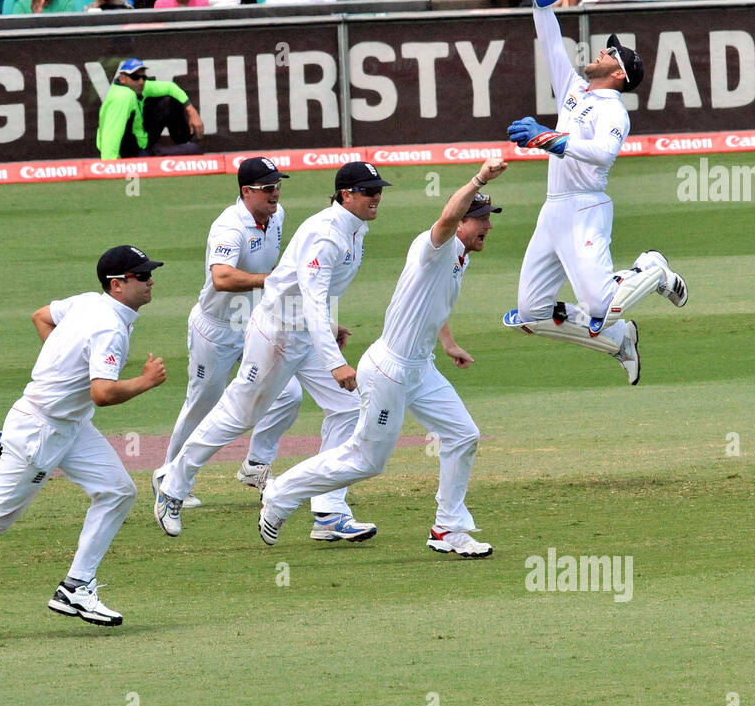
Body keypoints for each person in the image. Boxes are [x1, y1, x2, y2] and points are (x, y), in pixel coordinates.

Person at [0, 246, 168, 640]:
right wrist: (146, 381)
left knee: (117, 491)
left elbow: (41, 316)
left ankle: (76, 587)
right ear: (117, 285)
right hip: (41, 430)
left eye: (149, 272)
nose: (151, 280)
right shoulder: (108, 325)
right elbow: (103, 393)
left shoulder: (89, 303)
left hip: (71, 425)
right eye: (142, 275)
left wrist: (60, 367)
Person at [260, 160, 508, 555]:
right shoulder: (436, 246)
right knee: (366, 461)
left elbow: (434, 302)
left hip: (421, 368)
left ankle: (447, 529)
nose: (488, 226)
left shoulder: (461, 254)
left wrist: (448, 343)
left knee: (463, 436)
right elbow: (446, 217)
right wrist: (479, 179)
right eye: (481, 219)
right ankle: (280, 493)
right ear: (461, 222)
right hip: (389, 370)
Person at [155, 161, 390, 542]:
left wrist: (328, 328)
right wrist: (335, 362)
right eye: (369, 192)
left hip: (302, 329)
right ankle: (172, 485)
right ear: (346, 195)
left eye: (379, 191)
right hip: (277, 332)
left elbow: (311, 291)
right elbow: (310, 298)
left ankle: (328, 510)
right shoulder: (327, 234)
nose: (376, 198)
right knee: (240, 413)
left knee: (348, 408)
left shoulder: (353, 228)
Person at [505, 0, 688, 386]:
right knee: (531, 311)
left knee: (601, 305)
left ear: (620, 73)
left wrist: (548, 138)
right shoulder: (574, 89)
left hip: (586, 206)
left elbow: (604, 153)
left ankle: (652, 268)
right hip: (553, 208)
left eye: (611, 53)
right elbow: (551, 44)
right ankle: (618, 340)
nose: (603, 51)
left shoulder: (614, 110)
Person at [154, 157, 305, 521]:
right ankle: (168, 477)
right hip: (216, 328)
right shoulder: (229, 226)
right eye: (267, 188)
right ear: (246, 191)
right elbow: (221, 278)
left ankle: (256, 464)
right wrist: (271, 281)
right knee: (203, 404)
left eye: (278, 186)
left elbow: (270, 267)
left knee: (289, 394)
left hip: (253, 322)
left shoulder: (277, 216)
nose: (275, 193)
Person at [96, 57, 204, 158]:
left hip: (140, 142)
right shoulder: (123, 98)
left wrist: (191, 110)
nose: (141, 82)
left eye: (143, 77)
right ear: (123, 79)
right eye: (135, 77)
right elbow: (110, 136)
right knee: (194, 150)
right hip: (131, 157)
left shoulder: (136, 87)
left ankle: (182, 141)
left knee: (168, 102)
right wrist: (111, 166)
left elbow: (170, 87)